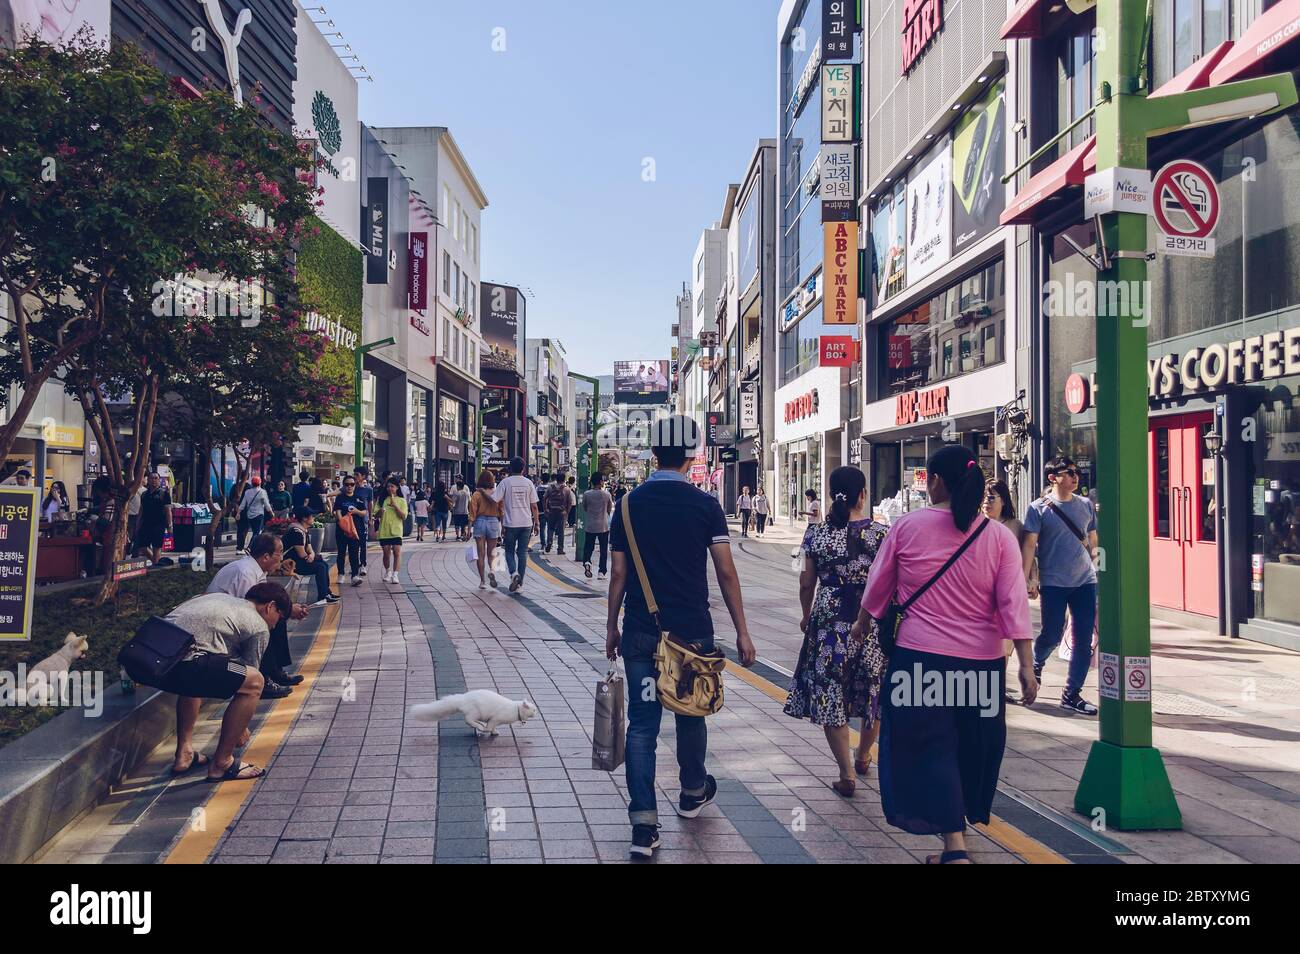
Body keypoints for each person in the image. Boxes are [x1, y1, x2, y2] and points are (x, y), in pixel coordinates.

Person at [856, 444, 1036, 865]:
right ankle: (956, 840)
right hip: (984, 665)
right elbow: (1013, 603)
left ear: (935, 481)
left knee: (930, 748)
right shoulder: (999, 537)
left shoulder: (908, 526)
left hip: (921, 661)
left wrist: (862, 624)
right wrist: (1026, 665)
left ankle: (954, 846)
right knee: (970, 747)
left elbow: (879, 585)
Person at [606, 414, 758, 859]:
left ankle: (643, 827)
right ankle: (692, 791)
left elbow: (618, 574)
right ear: (692, 456)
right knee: (691, 714)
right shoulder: (705, 505)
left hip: (640, 632)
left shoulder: (629, 504)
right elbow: (726, 573)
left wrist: (611, 626)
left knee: (642, 727)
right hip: (690, 634)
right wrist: (743, 632)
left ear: (654, 453)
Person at [785, 466, 889, 796]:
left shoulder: (815, 534)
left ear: (831, 495)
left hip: (829, 618)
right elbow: (890, 582)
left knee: (832, 692)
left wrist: (806, 616)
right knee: (872, 688)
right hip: (869, 619)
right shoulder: (880, 534)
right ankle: (863, 756)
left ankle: (846, 774)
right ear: (862, 495)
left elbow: (805, 582)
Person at [158, 583, 291, 782]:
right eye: (280, 617)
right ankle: (222, 763)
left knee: (197, 672)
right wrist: (240, 728)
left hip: (152, 658)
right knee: (256, 681)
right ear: (270, 606)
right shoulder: (259, 626)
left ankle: (184, 753)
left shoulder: (218, 598)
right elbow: (246, 680)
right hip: (185, 662)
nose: (276, 624)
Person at [1022, 457, 1100, 716]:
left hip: (1085, 582)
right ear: (1052, 478)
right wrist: (1027, 578)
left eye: (1076, 472)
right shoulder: (1037, 509)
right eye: (1069, 473)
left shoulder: (1087, 506)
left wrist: (1099, 571)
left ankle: (1071, 693)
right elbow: (1030, 546)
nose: (1075, 477)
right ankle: (1037, 660)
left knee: (1083, 639)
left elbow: (1093, 540)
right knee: (1052, 635)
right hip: (1054, 582)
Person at [207, 533, 309, 698]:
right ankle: (263, 679)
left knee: (277, 617)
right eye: (280, 552)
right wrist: (289, 611)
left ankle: (275, 671)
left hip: (231, 615)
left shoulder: (255, 569)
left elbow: (265, 600)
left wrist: (289, 609)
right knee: (264, 624)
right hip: (220, 624)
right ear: (266, 556)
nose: (282, 557)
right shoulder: (246, 573)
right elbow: (251, 610)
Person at [985, 479, 1032, 702]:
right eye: (984, 497)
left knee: (1005, 645)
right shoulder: (975, 524)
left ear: (1003, 501)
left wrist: (1031, 579)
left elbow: (1029, 555)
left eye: (992, 497)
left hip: (1010, 593)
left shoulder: (1015, 526)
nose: (987, 501)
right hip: (984, 595)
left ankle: (998, 685)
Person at [492, 457, 541, 592]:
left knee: (509, 550)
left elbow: (495, 499)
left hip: (510, 523)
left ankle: (514, 573)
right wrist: (537, 523)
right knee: (522, 552)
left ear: (510, 468)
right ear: (523, 469)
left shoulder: (505, 482)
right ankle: (519, 585)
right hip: (526, 523)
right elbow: (534, 506)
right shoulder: (529, 483)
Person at [281, 506, 339, 605]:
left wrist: (312, 555)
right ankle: (323, 596)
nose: (314, 518)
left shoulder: (303, 530)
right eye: (312, 516)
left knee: (323, 564)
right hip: (290, 564)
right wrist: (313, 557)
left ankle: (326, 593)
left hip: (298, 561)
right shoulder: (296, 532)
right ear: (304, 518)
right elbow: (302, 554)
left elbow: (309, 549)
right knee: (320, 567)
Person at [469, 470, 504, 589]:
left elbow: (472, 513)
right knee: (492, 553)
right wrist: (503, 526)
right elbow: (501, 511)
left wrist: (468, 528)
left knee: (480, 554)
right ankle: (492, 571)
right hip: (493, 521)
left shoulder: (476, 494)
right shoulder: (496, 493)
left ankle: (482, 581)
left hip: (480, 521)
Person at [333, 475, 367, 587]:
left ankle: (354, 576)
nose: (349, 487)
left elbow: (364, 512)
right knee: (341, 552)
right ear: (344, 485)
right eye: (347, 484)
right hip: (342, 530)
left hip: (355, 531)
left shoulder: (359, 498)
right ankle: (341, 573)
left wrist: (356, 511)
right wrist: (342, 522)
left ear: (355, 485)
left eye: (352, 484)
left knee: (354, 553)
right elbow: (337, 512)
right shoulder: (340, 498)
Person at [580, 471, 614, 580]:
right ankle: (601, 572)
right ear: (600, 482)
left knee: (588, 547)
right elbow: (609, 509)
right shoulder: (606, 494)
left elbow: (584, 507)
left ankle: (587, 562)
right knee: (603, 550)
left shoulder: (586, 494)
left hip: (590, 525)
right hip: (603, 525)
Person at [135, 472, 173, 566]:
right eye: (151, 478)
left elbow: (168, 511)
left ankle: (156, 566)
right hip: (146, 523)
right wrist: (138, 524)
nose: (154, 480)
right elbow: (141, 510)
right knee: (142, 547)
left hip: (159, 524)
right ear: (148, 480)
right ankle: (157, 563)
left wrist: (169, 526)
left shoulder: (164, 494)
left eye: (156, 478)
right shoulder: (144, 494)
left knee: (157, 547)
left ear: (159, 481)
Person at [377, 476, 408, 584]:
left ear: (397, 488)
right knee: (386, 554)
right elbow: (375, 514)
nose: (390, 489)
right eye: (388, 486)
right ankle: (387, 571)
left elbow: (404, 516)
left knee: (397, 552)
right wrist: (380, 511)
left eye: (392, 486)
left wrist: (395, 506)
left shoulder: (401, 501)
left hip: (396, 531)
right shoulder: (382, 500)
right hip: (384, 531)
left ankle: (395, 574)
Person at [236, 476, 271, 551]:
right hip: (259, 515)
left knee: (255, 532)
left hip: (250, 515)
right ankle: (250, 547)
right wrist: (271, 512)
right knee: (256, 532)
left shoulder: (247, 492)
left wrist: (238, 513)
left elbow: (243, 504)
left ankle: (252, 547)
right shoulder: (262, 492)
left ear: (252, 483)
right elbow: (267, 504)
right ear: (260, 483)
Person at [542, 472, 574, 555]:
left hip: (551, 511)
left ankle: (549, 542)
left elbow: (544, 498)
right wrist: (567, 512)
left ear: (556, 479)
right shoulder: (567, 489)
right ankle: (560, 549)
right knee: (561, 531)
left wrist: (545, 509)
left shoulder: (550, 487)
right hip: (561, 512)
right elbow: (570, 502)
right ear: (564, 479)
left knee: (550, 528)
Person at [352, 467, 373, 577]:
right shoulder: (351, 488)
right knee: (353, 544)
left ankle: (363, 564)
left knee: (363, 543)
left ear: (363, 476)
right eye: (354, 474)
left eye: (357, 475)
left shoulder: (368, 490)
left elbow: (370, 504)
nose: (355, 477)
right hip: (351, 520)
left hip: (363, 519)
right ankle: (355, 565)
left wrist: (370, 518)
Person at [451, 476, 471, 541]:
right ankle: (463, 534)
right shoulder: (467, 494)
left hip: (457, 511)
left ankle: (458, 536)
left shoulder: (457, 493)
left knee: (457, 524)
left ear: (458, 487)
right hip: (465, 511)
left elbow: (453, 503)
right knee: (464, 524)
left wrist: (452, 507)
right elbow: (470, 501)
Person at [535, 473, 551, 551]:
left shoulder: (538, 488)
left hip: (541, 511)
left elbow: (535, 500)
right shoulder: (551, 488)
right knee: (550, 528)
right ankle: (549, 542)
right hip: (550, 511)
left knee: (542, 528)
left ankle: (543, 544)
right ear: (549, 479)